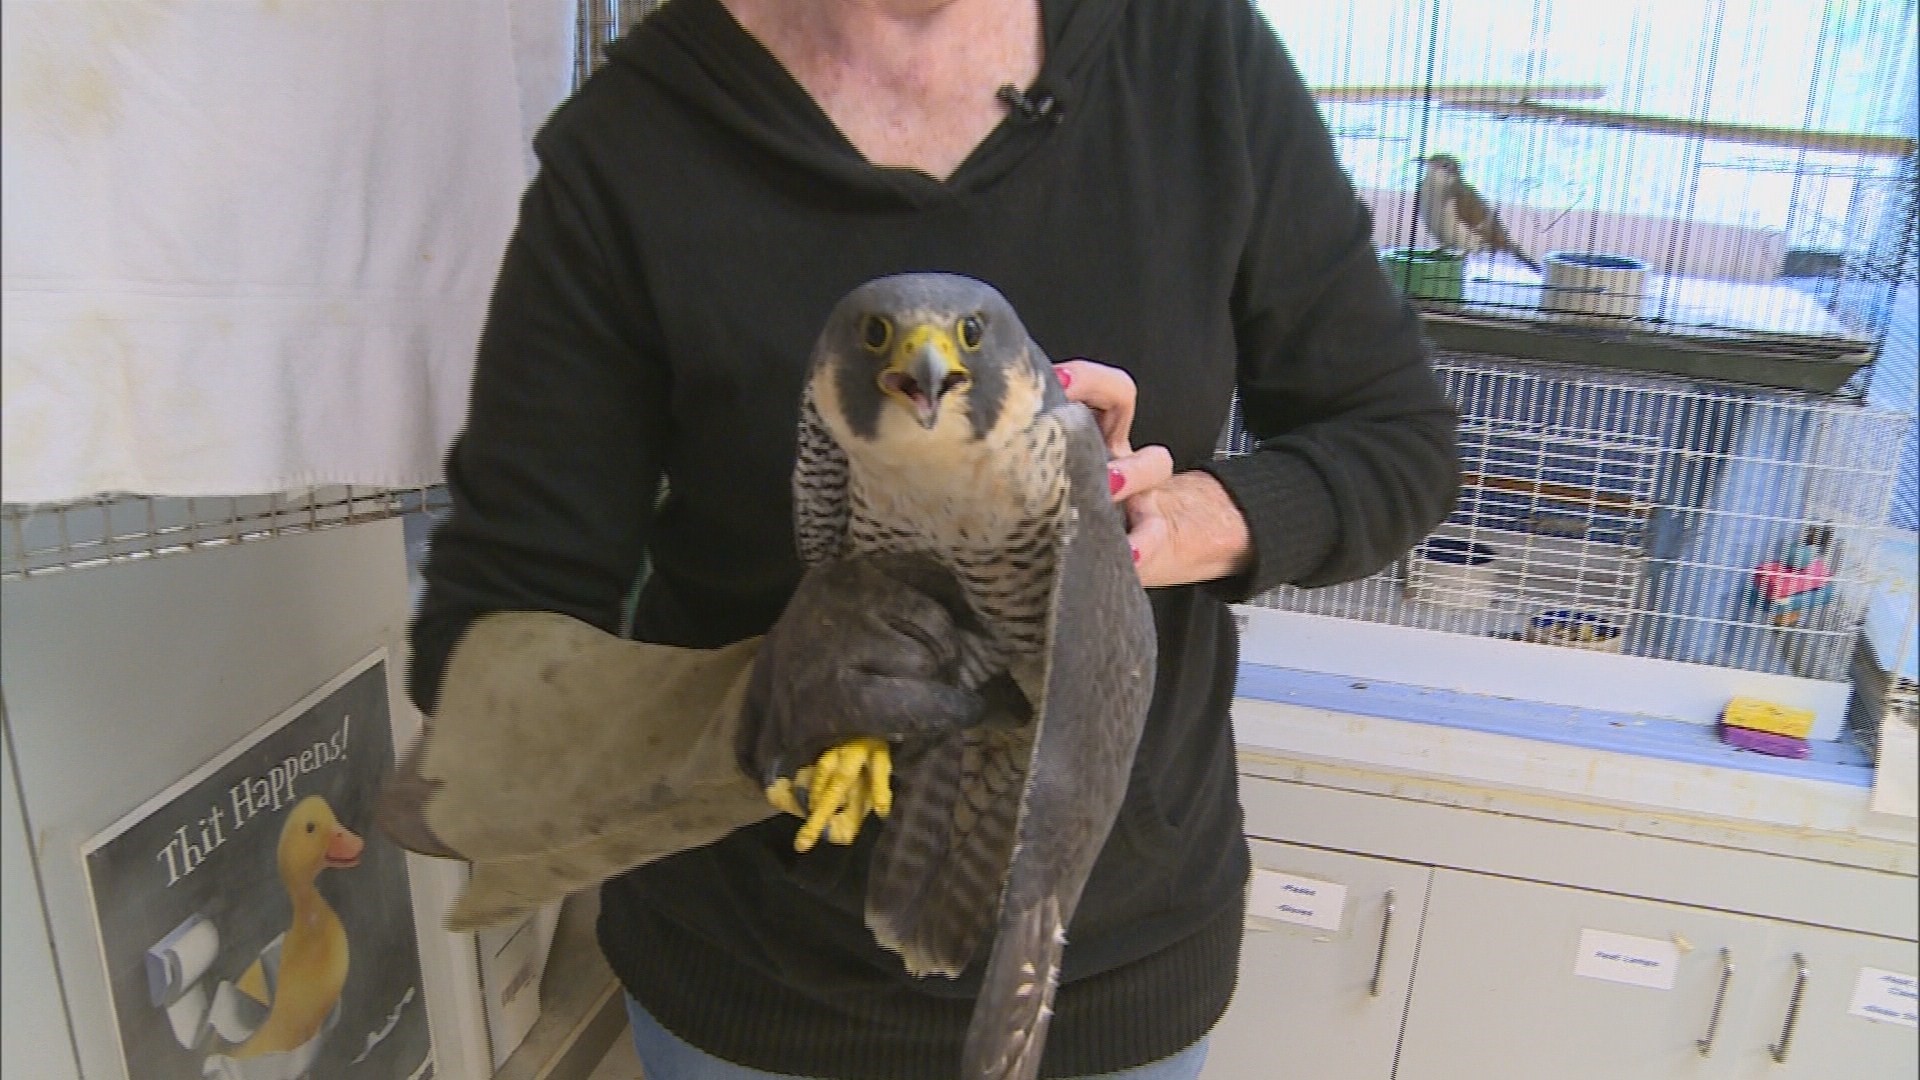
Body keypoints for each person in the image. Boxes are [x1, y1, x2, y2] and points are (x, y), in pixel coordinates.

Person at [407, 0, 1460, 1076]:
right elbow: (483, 636)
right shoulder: (636, 144)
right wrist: (756, 706)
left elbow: (1397, 442)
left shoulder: (1194, 55)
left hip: (1111, 964)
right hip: (755, 983)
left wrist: (1169, 524)